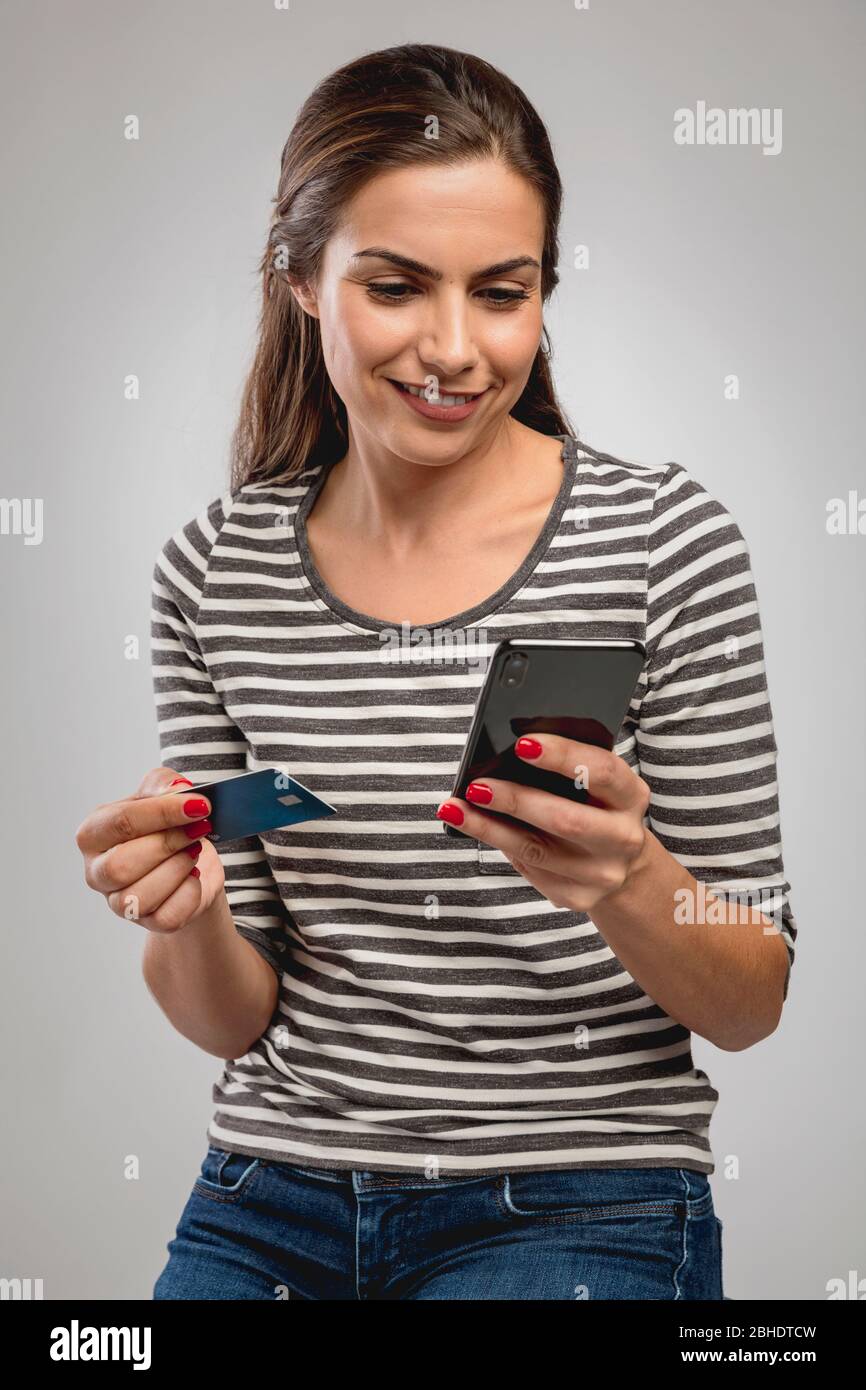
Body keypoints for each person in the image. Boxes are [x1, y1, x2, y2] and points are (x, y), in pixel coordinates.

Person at [75, 42, 796, 1300]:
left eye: (502, 293)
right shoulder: (213, 569)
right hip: (269, 1195)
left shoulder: (663, 543)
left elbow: (749, 997)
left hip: (582, 1197)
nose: (454, 349)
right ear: (301, 279)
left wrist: (631, 879)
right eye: (398, 286)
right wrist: (185, 917)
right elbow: (233, 1018)